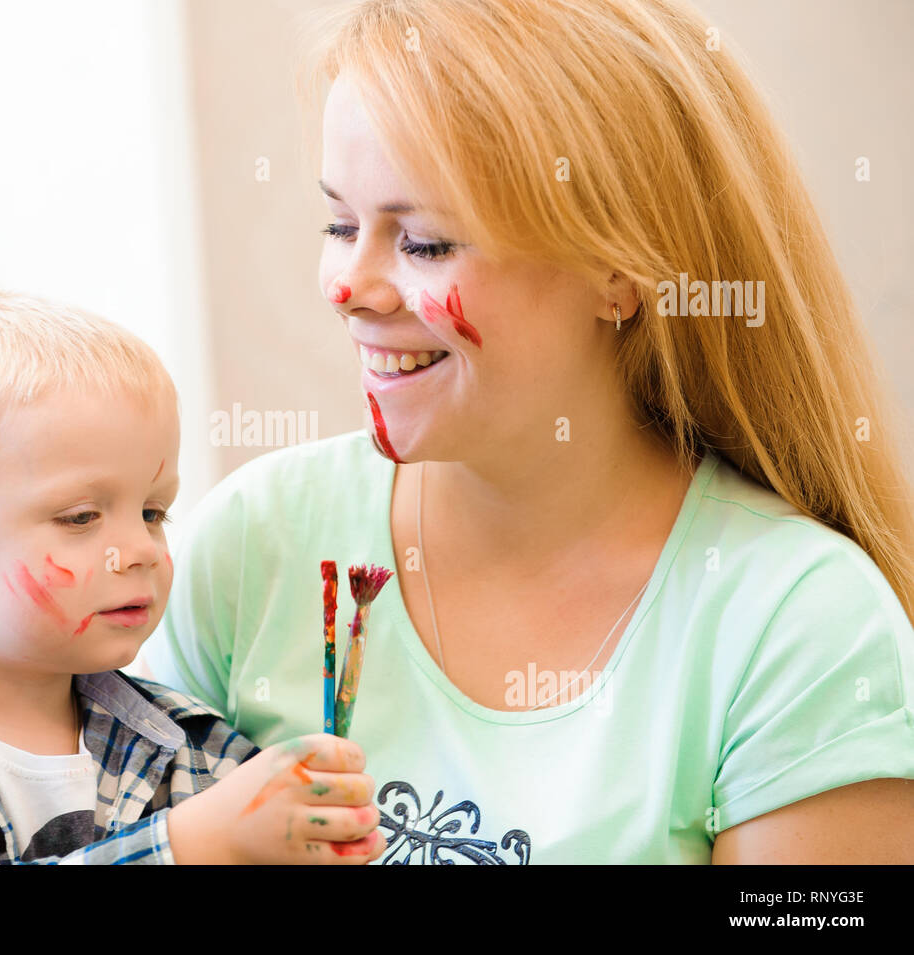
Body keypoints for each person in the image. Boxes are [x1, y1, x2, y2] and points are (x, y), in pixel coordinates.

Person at [142, 0, 914, 863]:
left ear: (618, 272)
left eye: (426, 243)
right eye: (340, 225)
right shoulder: (250, 548)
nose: (348, 285)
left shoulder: (800, 628)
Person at [0, 286, 387, 864]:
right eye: (81, 517)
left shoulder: (192, 744)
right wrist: (194, 845)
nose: (140, 550)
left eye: (152, 513)